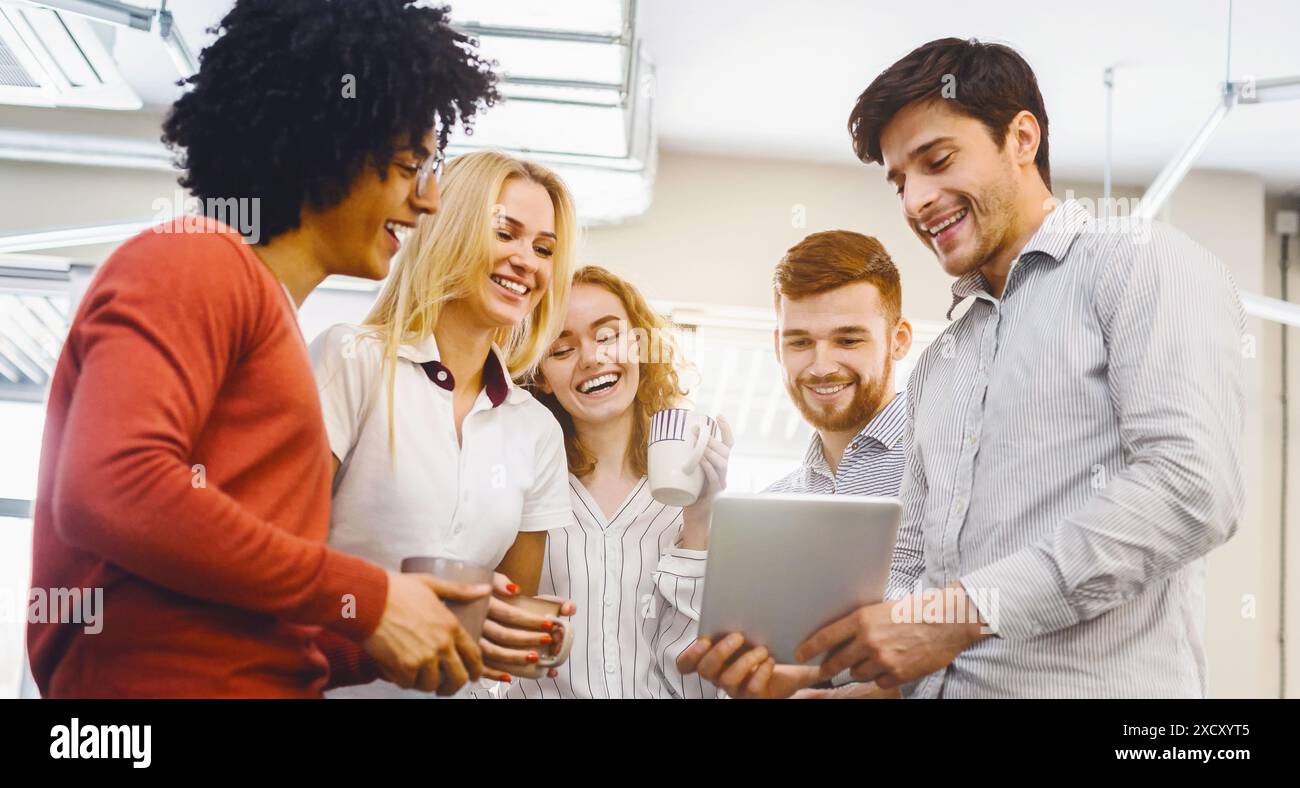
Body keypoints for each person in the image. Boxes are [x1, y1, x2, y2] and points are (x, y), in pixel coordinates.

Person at [691, 37, 1246, 699]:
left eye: (937, 160)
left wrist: (957, 616)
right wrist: (811, 671)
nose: (917, 200)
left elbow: (1190, 488)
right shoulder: (939, 369)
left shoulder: (1141, 264)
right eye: (901, 180)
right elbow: (918, 578)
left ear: (1021, 137)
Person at [27, 0, 500, 697]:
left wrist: (402, 630)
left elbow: (248, 626)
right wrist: (369, 598)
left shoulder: (266, 315)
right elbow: (113, 487)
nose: (427, 202)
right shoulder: (193, 261)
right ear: (330, 145)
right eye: (408, 167)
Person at [311, 150, 581, 697]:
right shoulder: (354, 359)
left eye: (544, 248)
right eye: (506, 233)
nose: (527, 260)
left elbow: (504, 615)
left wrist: (538, 636)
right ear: (450, 229)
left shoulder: (536, 431)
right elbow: (283, 556)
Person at [658, 231, 919, 699]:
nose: (821, 366)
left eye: (848, 340)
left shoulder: (954, 465)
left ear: (898, 341)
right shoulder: (769, 510)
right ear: (778, 345)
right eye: (801, 342)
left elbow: (993, 637)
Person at [480, 265, 733, 698]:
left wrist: (699, 520)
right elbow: (496, 661)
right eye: (562, 349)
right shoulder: (517, 488)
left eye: (608, 335)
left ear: (638, 343)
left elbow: (700, 684)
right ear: (540, 373)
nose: (593, 358)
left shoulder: (688, 491)